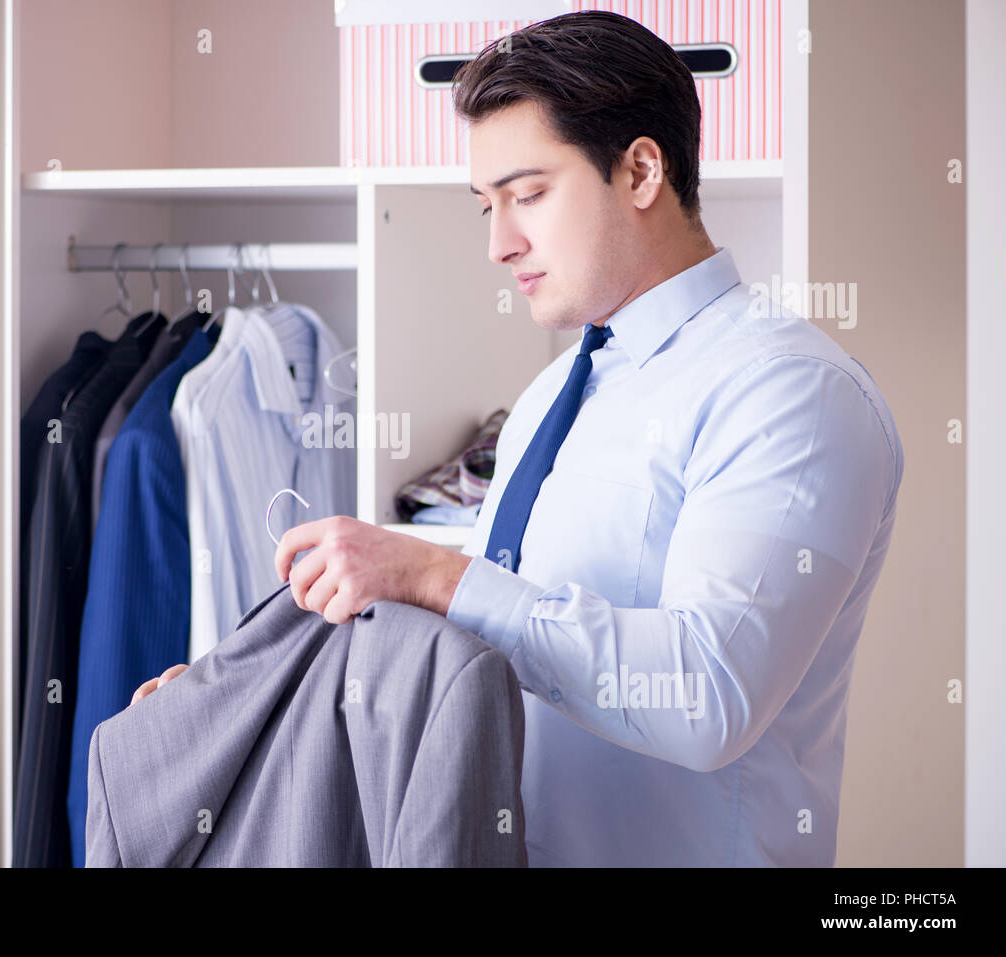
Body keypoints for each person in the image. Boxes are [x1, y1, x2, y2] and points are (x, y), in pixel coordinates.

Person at [135, 10, 903, 867]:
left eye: (529, 194)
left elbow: (707, 694)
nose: (499, 243)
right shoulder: (548, 398)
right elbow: (481, 659)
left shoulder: (791, 393)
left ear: (642, 169)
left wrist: (434, 571)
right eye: (486, 205)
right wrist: (258, 704)